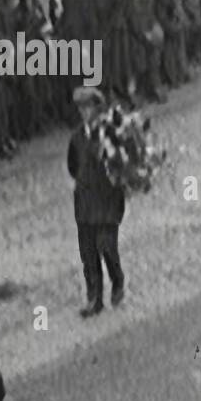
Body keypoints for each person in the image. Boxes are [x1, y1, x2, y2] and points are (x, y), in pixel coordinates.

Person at [67, 87, 126, 317]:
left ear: (97, 109)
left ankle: (117, 279)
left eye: (88, 108)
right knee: (88, 253)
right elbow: (73, 166)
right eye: (81, 108)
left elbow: (120, 162)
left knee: (107, 245)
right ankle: (94, 298)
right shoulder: (77, 138)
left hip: (107, 200)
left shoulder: (109, 133)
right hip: (85, 202)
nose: (85, 113)